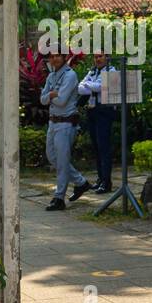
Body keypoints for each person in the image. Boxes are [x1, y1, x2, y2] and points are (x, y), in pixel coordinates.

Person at [40, 51, 92, 211]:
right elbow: (42, 100)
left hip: (66, 123)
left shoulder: (70, 76)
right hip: (53, 122)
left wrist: (50, 96)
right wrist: (51, 94)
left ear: (64, 58)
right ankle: (81, 182)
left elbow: (62, 101)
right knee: (52, 157)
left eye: (58, 56)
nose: (54, 59)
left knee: (62, 161)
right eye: (52, 56)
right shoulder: (51, 77)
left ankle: (59, 197)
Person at [78, 53, 117, 193]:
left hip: (104, 112)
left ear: (107, 57)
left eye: (100, 56)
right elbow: (80, 88)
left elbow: (102, 87)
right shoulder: (92, 71)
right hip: (92, 111)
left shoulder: (112, 71)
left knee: (104, 147)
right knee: (96, 147)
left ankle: (107, 182)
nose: (97, 59)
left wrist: (89, 85)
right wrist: (91, 85)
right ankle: (100, 179)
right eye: (95, 57)